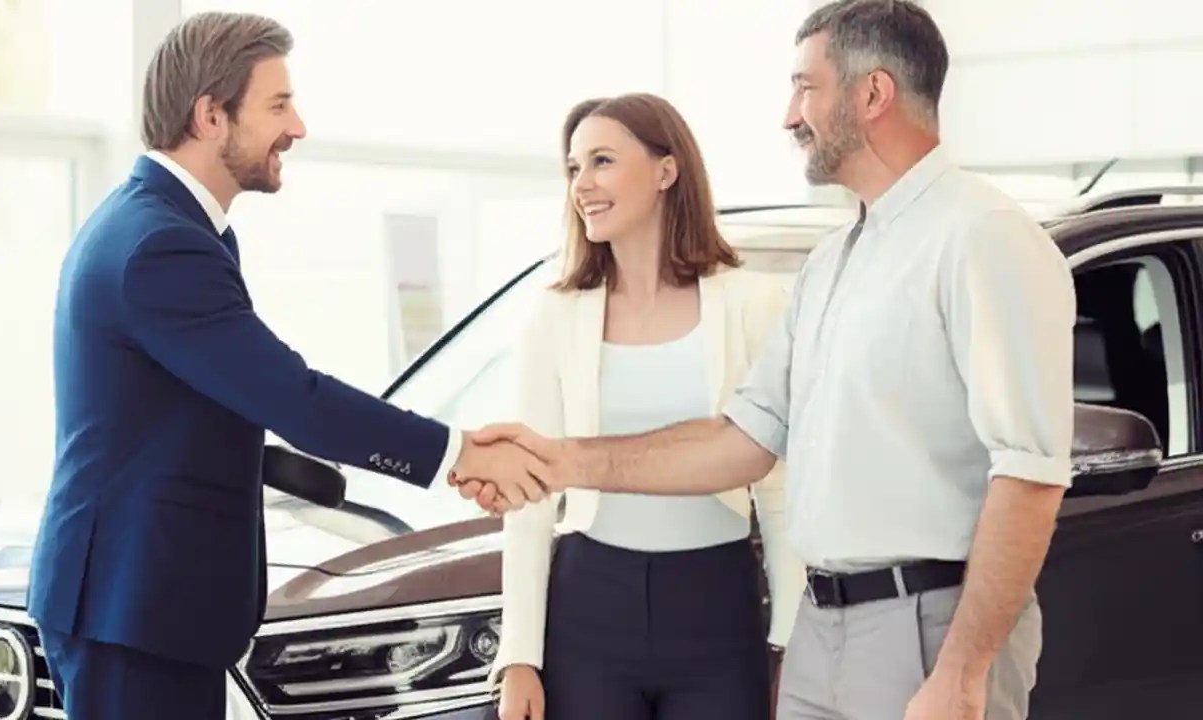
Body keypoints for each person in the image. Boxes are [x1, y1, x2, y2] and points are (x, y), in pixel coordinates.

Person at [456, 2, 1076, 719]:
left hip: (925, 625)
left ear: (872, 94)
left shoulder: (984, 236)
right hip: (823, 627)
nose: (789, 115)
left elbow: (1030, 471)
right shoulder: (831, 264)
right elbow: (744, 441)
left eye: (804, 87)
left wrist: (964, 671)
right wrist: (561, 463)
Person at [26, 12, 546, 719]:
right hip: (134, 609)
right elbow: (293, 396)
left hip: (143, 605)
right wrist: (455, 452)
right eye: (278, 105)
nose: (296, 127)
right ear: (210, 115)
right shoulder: (161, 246)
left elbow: (186, 409)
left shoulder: (163, 226)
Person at [489, 93, 805, 720]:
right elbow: (530, 494)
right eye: (574, 168)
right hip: (590, 609)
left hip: (718, 608)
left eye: (602, 161)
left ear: (667, 170)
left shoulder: (753, 303)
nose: (583, 184)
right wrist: (520, 656)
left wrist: (792, 642)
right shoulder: (556, 314)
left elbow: (777, 487)